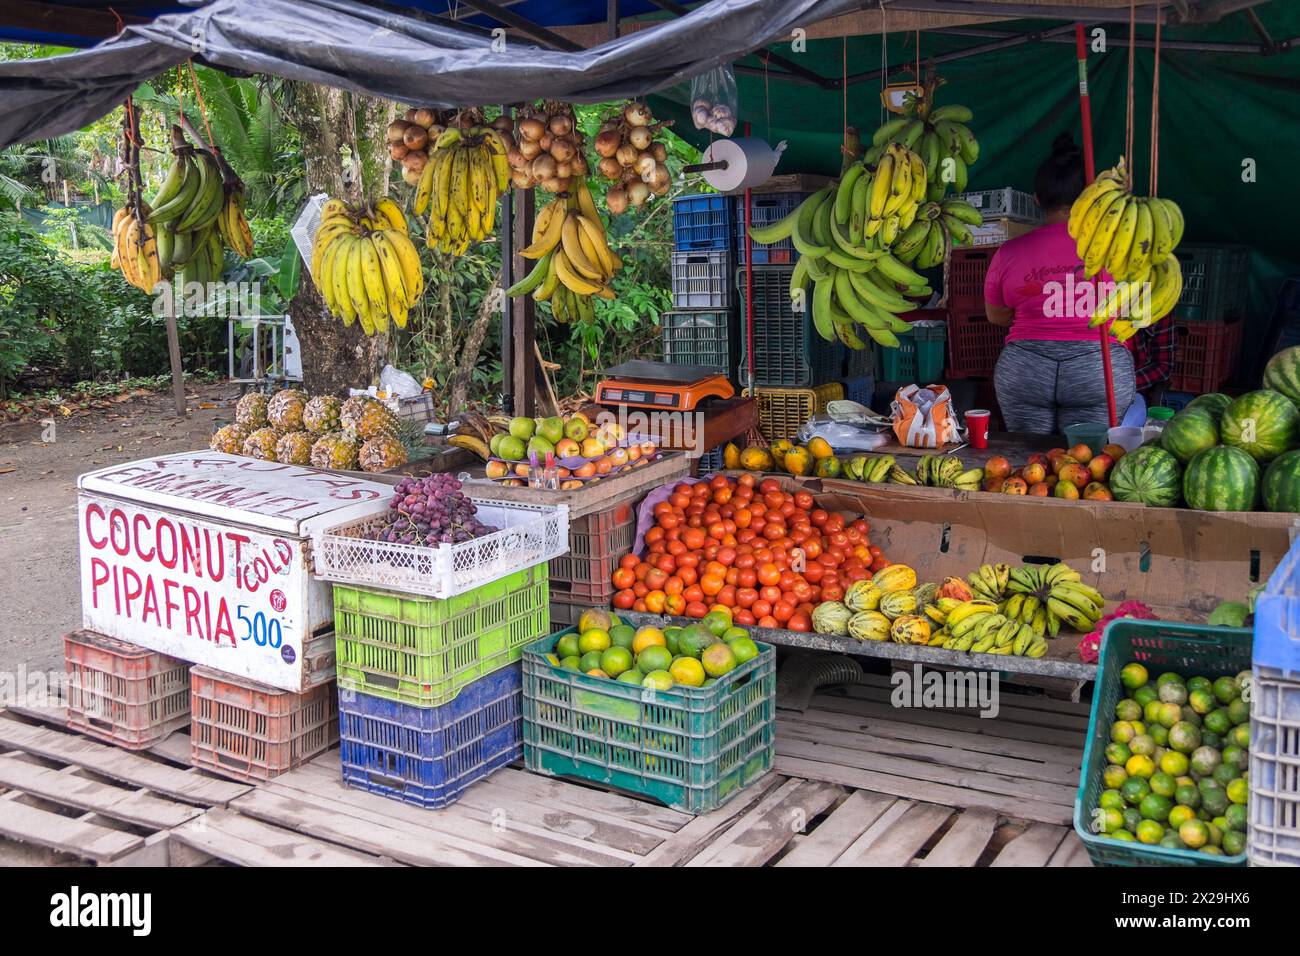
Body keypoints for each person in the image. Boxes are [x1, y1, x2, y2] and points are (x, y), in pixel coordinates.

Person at [984, 135, 1136, 435]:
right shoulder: (1118, 249)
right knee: (1088, 466)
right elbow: (1134, 314)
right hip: (1097, 369)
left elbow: (996, 315)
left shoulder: (1009, 252)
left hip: (1026, 370)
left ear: (1037, 199)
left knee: (1029, 468)